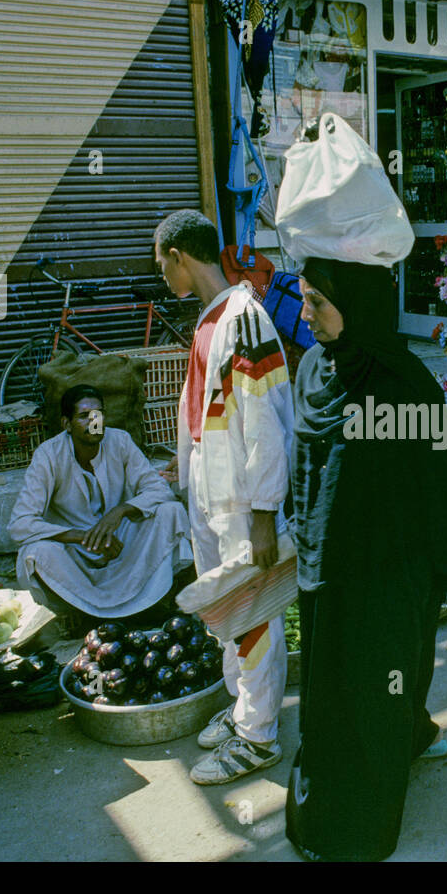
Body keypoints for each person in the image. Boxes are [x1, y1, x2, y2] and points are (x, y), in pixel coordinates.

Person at [285, 257, 447, 862]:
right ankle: (367, 766)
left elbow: (439, 484)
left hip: (389, 570)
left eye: (318, 303)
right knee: (335, 686)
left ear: (360, 304)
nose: (306, 316)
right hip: (326, 563)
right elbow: (304, 468)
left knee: (374, 685)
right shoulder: (314, 370)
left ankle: (351, 825)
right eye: (304, 300)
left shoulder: (404, 383)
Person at [154, 209, 295, 786]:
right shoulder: (210, 319)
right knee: (227, 611)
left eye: (160, 263)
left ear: (178, 257)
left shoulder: (245, 319)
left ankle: (259, 735)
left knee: (253, 613)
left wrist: (264, 512)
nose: (161, 275)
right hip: (213, 497)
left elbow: (267, 422)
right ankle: (243, 710)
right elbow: (209, 411)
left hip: (242, 501)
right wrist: (182, 463)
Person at [9, 385, 189, 625]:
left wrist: (120, 511)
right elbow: (20, 524)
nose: (94, 421)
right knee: (34, 553)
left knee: (171, 511)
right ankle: (80, 612)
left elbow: (157, 489)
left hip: (120, 543)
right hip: (76, 555)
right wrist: (82, 536)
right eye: (84, 416)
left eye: (98, 414)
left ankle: (153, 600)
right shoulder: (48, 455)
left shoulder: (120, 441)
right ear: (67, 424)